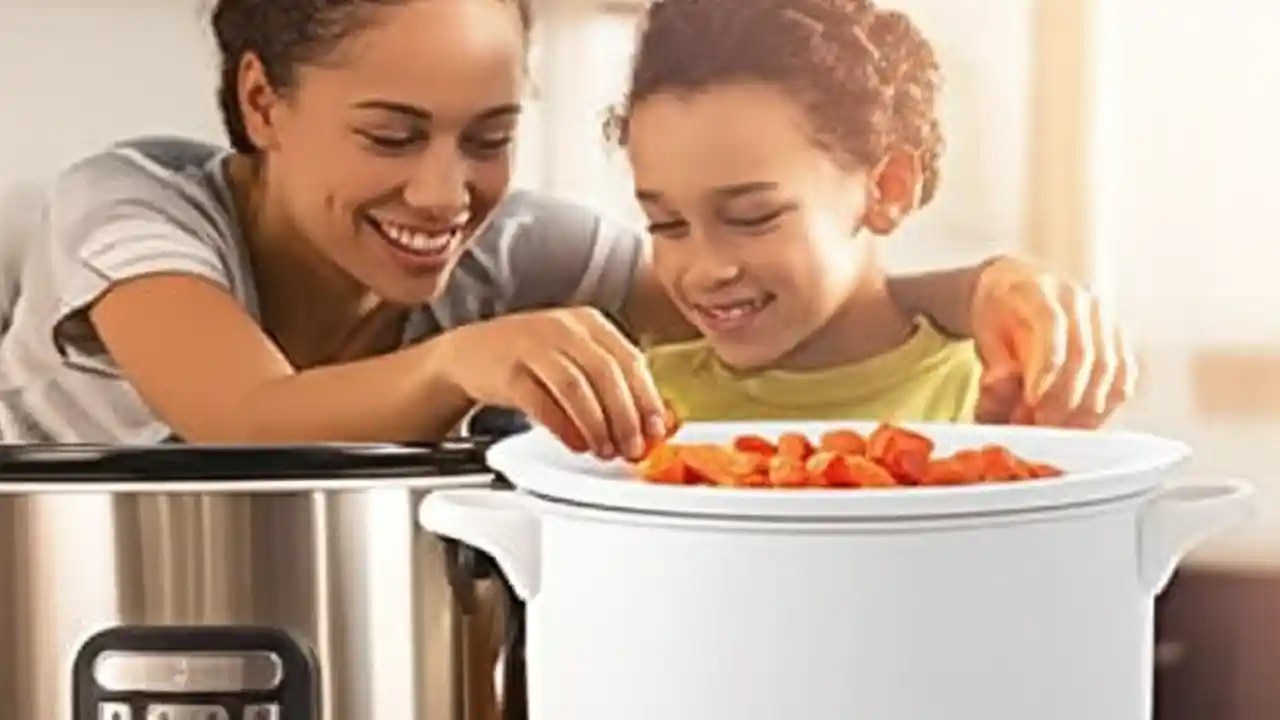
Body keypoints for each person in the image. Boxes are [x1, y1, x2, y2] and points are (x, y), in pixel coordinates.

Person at [0, 0, 1133, 461]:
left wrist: (985, 288)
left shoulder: (513, 252)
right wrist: (460, 359)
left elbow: (765, 300)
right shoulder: (133, 205)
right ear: (261, 104)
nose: (446, 197)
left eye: (487, 137)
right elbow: (242, 418)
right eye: (392, 137)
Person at [614, 0, 1077, 425]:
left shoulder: (999, 396)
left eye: (753, 216)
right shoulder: (634, 407)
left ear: (886, 188)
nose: (705, 271)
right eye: (666, 224)